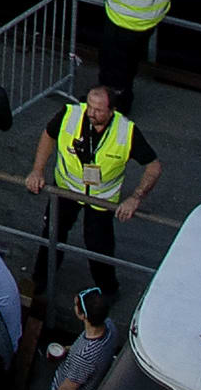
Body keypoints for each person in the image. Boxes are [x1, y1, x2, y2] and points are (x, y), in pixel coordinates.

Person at [27, 74, 160, 272]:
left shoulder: (126, 131)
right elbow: (49, 135)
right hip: (66, 189)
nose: (91, 113)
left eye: (98, 110)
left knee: (98, 246)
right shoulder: (69, 114)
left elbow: (154, 166)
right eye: (89, 106)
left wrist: (135, 198)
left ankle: (107, 290)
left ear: (112, 111)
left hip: (101, 198)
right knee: (52, 235)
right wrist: (37, 171)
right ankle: (40, 279)